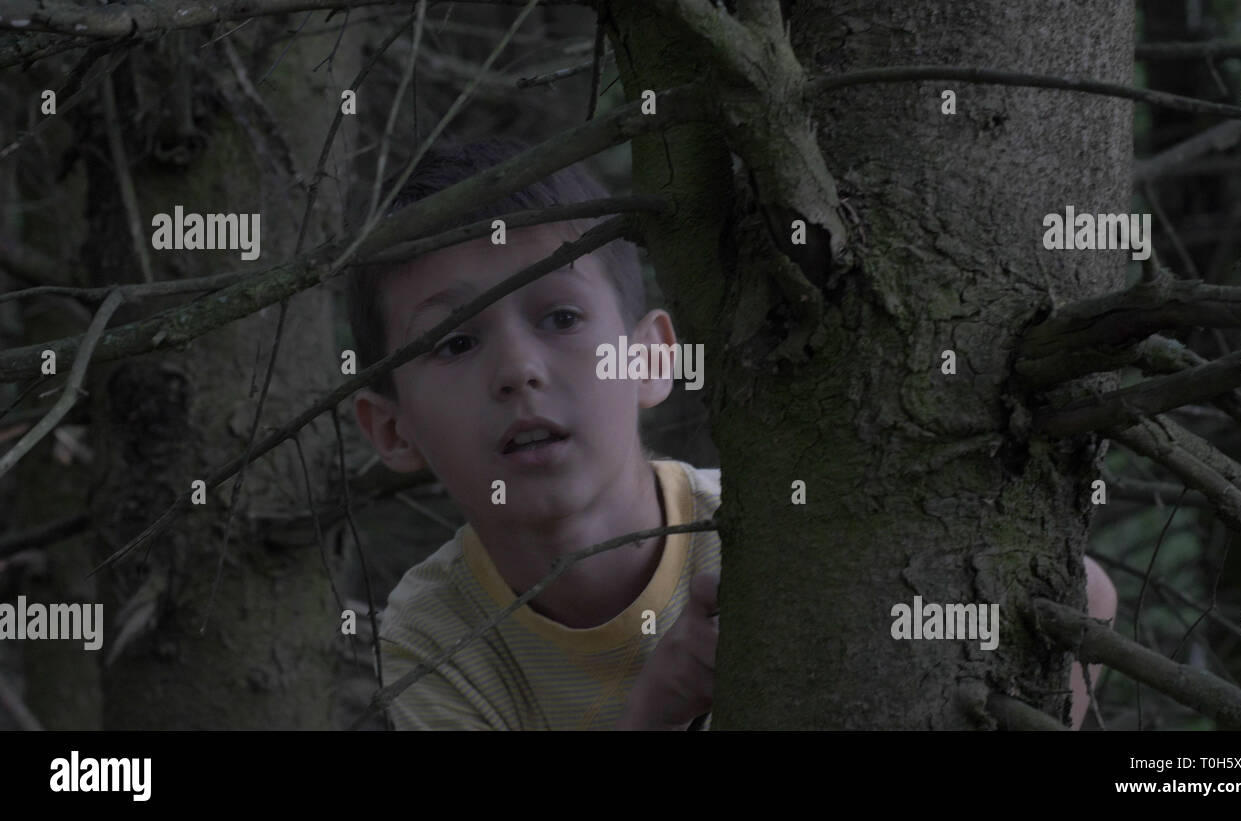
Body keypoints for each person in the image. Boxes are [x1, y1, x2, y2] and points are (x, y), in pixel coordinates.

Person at [348, 137, 1116, 730]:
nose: (518, 370)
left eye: (559, 317)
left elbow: (1085, 592)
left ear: (650, 359)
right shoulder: (428, 641)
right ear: (391, 428)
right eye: (454, 341)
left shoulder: (765, 533)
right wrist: (654, 708)